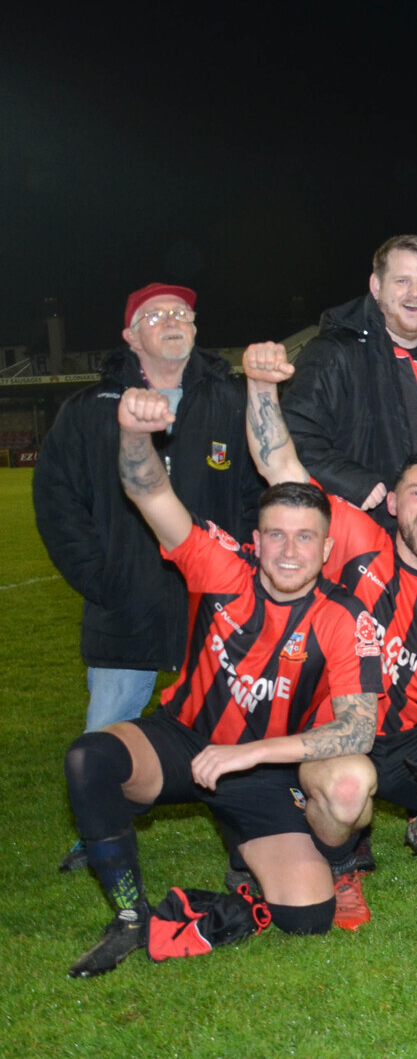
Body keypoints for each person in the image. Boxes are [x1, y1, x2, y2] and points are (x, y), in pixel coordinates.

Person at [60, 388, 383, 977]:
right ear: (255, 541)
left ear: (327, 548)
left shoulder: (343, 616)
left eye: (305, 537)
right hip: (184, 740)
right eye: (276, 536)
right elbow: (148, 490)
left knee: (307, 918)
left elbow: (358, 729)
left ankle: (244, 874)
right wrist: (134, 433)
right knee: (91, 759)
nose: (289, 551)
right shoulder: (219, 568)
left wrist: (249, 754)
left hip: (266, 769)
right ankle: (131, 919)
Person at [239, 342, 417, 921]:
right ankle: (342, 863)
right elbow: (280, 467)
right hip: (333, 729)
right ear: (394, 503)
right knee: (348, 790)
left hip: (408, 739)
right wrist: (259, 386)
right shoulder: (352, 541)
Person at [35, 283, 262, 749]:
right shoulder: (87, 411)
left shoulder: (232, 401)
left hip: (217, 606)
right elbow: (57, 501)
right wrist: (102, 578)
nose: (173, 321)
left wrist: (241, 571)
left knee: (236, 739)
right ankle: (105, 823)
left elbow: (255, 495)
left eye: (181, 313)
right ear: (131, 337)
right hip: (125, 608)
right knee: (107, 740)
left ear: (196, 329)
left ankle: (253, 819)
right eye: (156, 317)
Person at [283, 235, 417, 509]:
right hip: (361, 532)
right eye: (402, 280)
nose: (415, 293)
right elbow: (293, 434)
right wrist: (353, 482)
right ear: (376, 285)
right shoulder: (333, 353)